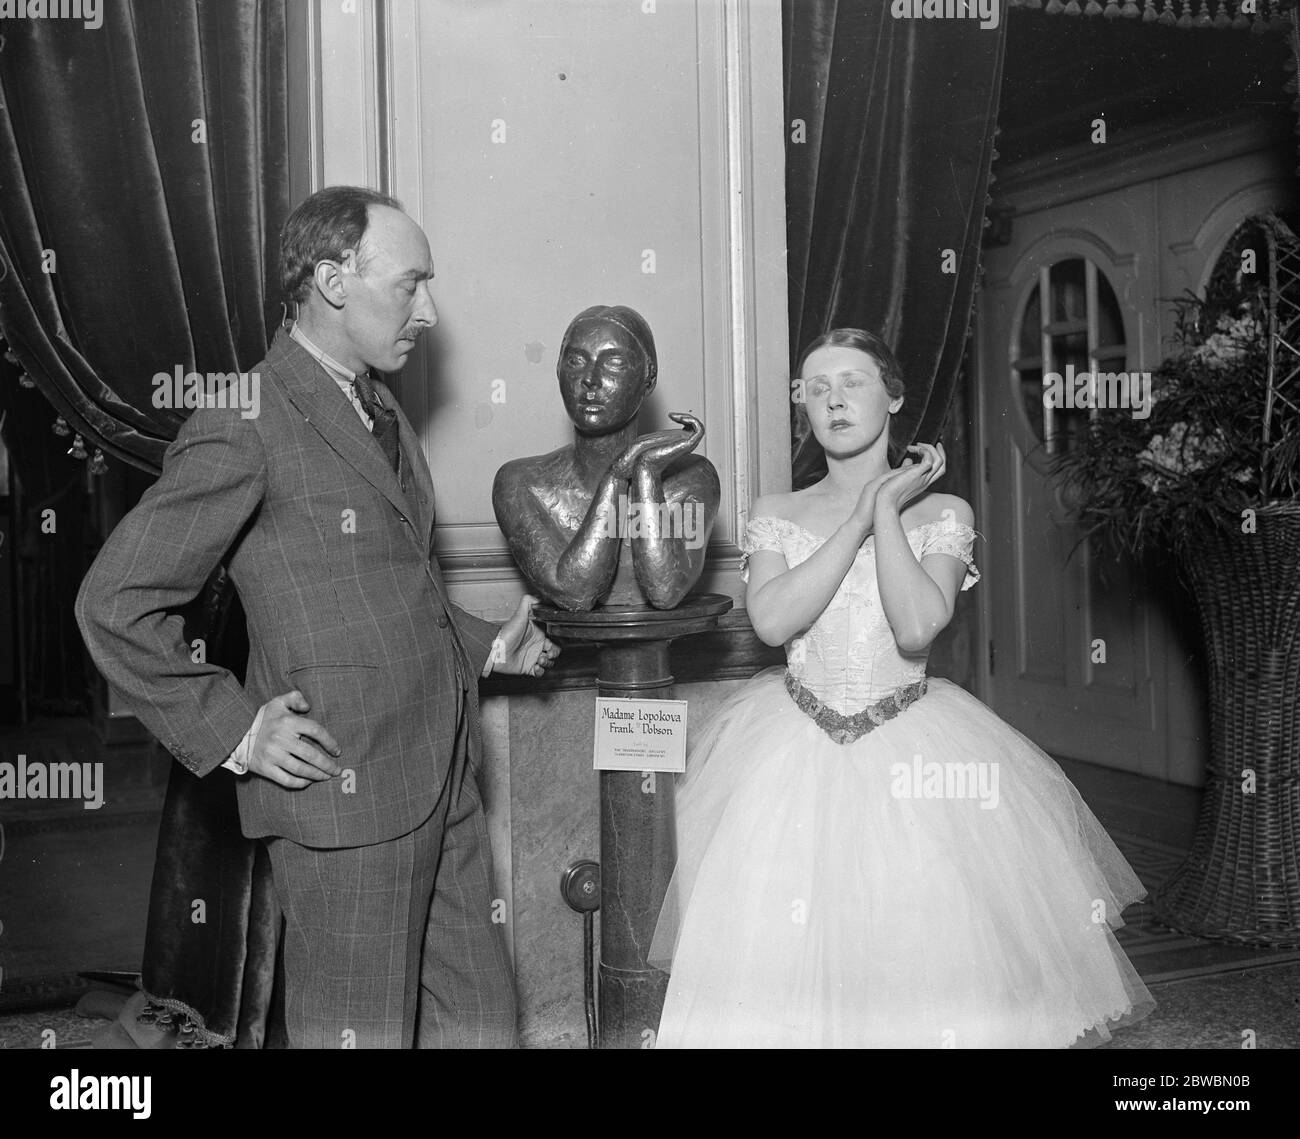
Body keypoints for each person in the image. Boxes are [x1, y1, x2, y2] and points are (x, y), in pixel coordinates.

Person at [76, 185, 558, 1048]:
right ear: (333, 281)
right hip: (344, 796)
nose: (429, 310)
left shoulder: (378, 406)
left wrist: (485, 645)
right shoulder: (246, 418)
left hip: (442, 777)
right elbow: (114, 602)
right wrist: (236, 731)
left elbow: (381, 586)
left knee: (484, 1021)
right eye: (409, 285)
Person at [649, 327, 1155, 1048]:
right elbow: (770, 619)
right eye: (816, 388)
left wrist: (886, 512)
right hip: (789, 749)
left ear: (894, 396)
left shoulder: (944, 514)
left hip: (916, 748)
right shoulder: (776, 511)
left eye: (852, 382)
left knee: (918, 945)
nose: (833, 400)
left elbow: (917, 627)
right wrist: (858, 516)